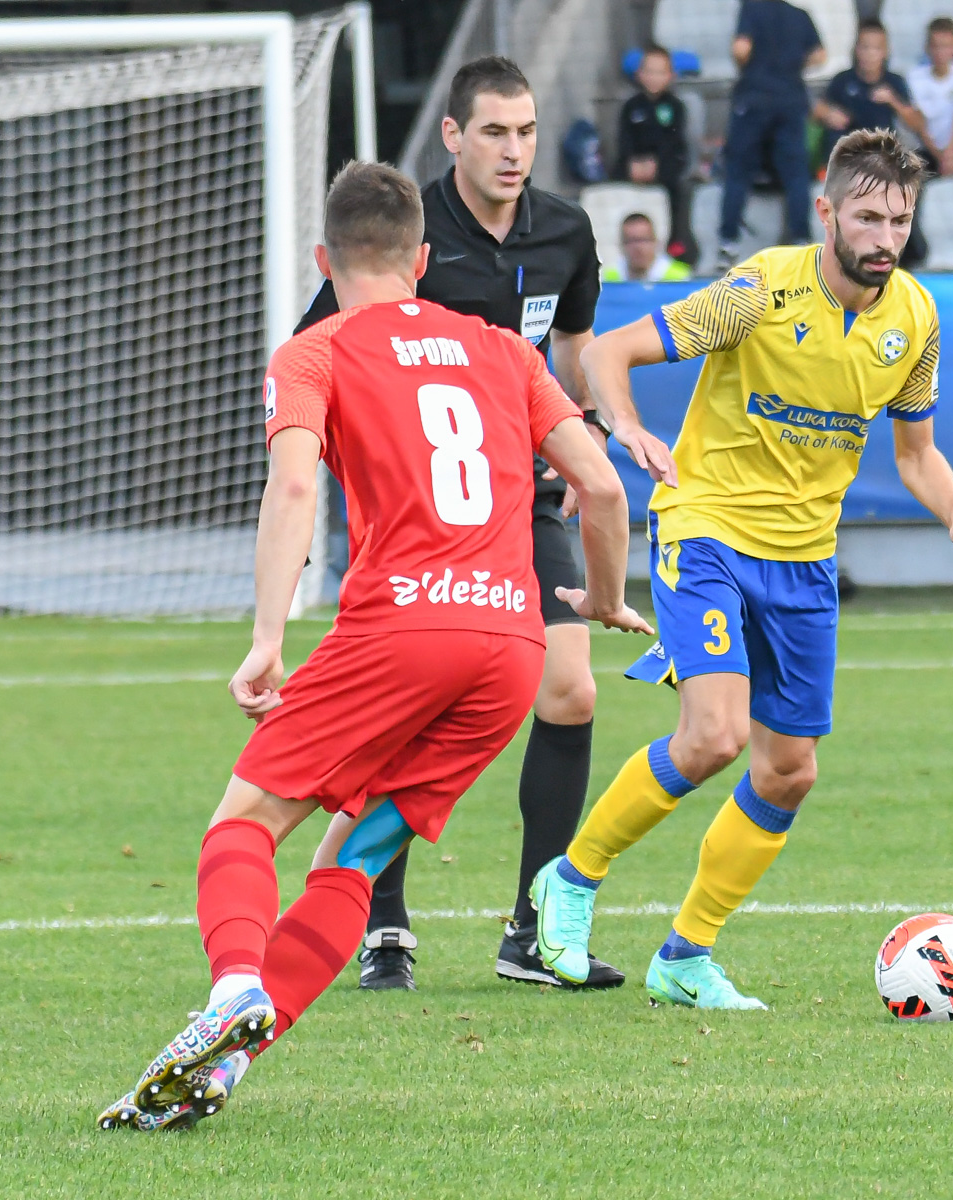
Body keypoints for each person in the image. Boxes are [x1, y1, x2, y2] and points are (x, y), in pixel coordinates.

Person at [95, 161, 647, 1133]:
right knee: (353, 856)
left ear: (325, 259)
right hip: (510, 642)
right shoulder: (501, 350)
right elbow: (601, 488)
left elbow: (293, 488)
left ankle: (233, 988)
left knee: (243, 825)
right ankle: (228, 1064)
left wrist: (267, 640)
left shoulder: (313, 352)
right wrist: (602, 601)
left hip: (401, 629)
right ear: (422, 260)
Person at [528, 129, 953, 1010]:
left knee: (789, 771)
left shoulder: (914, 318)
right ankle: (572, 877)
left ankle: (685, 956)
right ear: (826, 211)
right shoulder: (759, 292)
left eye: (899, 221)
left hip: (805, 562)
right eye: (867, 218)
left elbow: (916, 453)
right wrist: (626, 426)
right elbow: (604, 353)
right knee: (714, 736)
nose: (885, 238)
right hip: (706, 529)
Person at [296, 56, 627, 994]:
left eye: (526, 132)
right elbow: (321, 347)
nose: (513, 151)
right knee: (408, 707)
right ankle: (383, 925)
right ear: (453, 135)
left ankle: (536, 930)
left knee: (572, 691)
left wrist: (587, 433)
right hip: (419, 513)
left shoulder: (564, 229)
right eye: (494, 132)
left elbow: (572, 344)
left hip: (524, 494)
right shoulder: (406, 235)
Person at [816, 19, 932, 266]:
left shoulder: (894, 82)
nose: (869, 54)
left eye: (876, 48)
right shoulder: (843, 81)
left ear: (885, 51)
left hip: (885, 164)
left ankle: (910, 247)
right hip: (851, 166)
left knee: (911, 178)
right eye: (864, 47)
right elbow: (816, 110)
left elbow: (918, 123)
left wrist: (893, 101)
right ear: (856, 50)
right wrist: (828, 113)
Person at [720, 0, 828, 262]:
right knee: (796, 174)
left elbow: (741, 50)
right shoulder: (800, 15)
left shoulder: (751, 8)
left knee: (738, 171)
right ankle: (801, 239)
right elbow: (820, 55)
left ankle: (728, 242)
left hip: (754, 99)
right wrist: (789, 63)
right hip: (790, 100)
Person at [615, 45, 695, 262]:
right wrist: (632, 164)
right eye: (649, 71)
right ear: (639, 74)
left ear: (671, 76)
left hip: (665, 169)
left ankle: (675, 243)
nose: (654, 78)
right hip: (634, 167)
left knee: (677, 188)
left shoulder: (675, 106)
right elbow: (624, 141)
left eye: (660, 72)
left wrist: (656, 165)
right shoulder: (631, 107)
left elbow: (675, 143)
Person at [907, 16, 953, 177]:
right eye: (936, 46)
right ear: (927, 48)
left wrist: (951, 153)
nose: (940, 52)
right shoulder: (915, 76)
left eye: (946, 46)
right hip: (928, 149)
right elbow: (919, 123)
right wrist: (940, 157)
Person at [602, 212, 696, 282]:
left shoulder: (681, 278)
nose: (638, 247)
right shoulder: (608, 280)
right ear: (621, 245)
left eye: (643, 240)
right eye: (631, 241)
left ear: (656, 242)